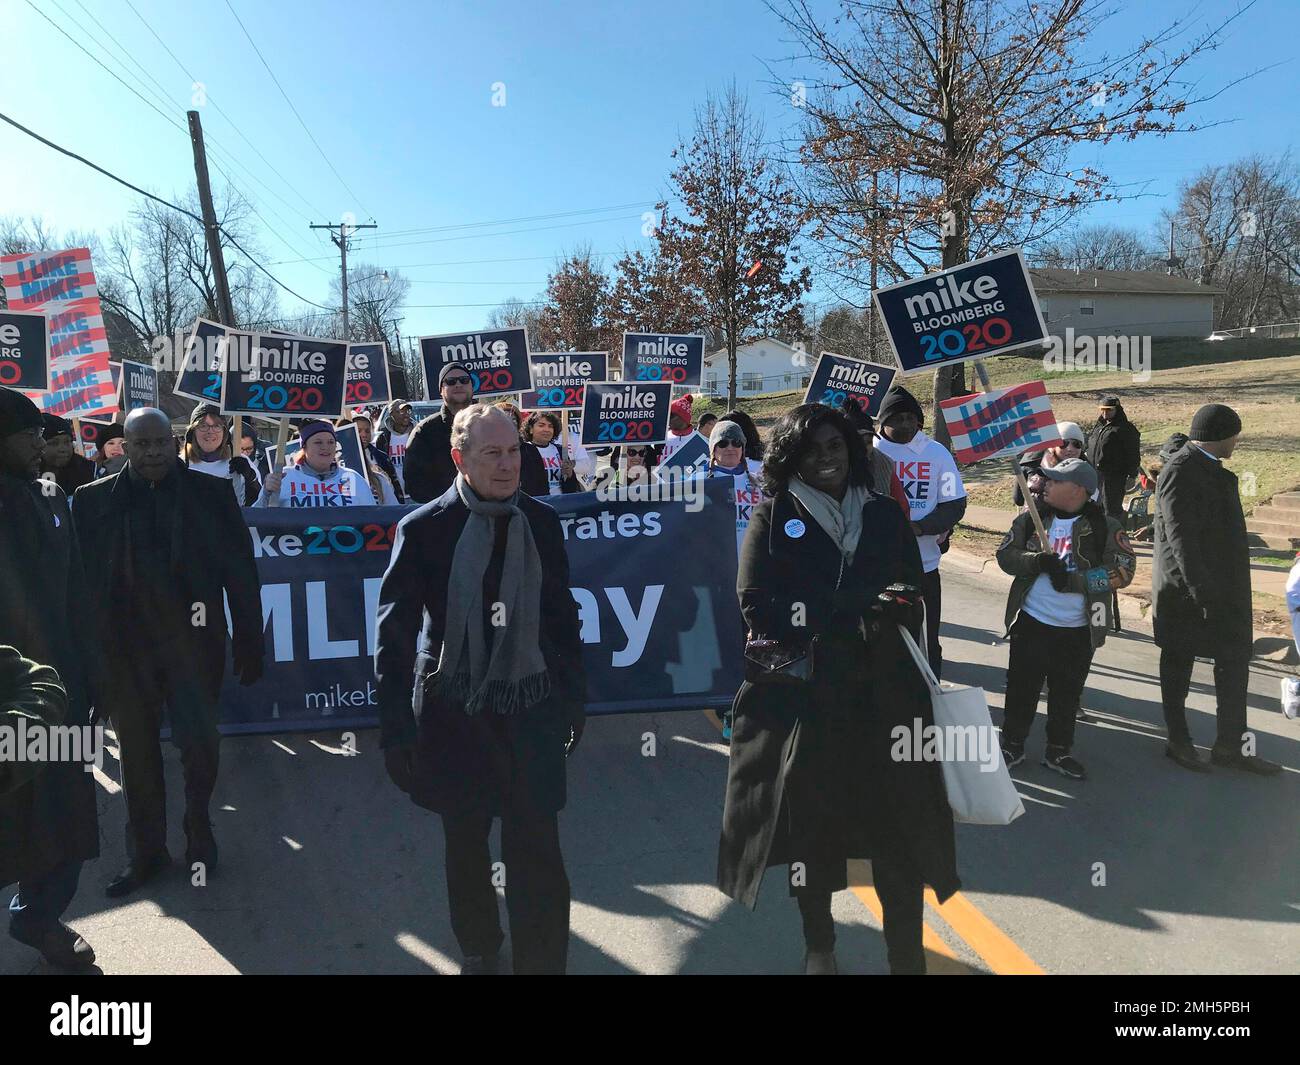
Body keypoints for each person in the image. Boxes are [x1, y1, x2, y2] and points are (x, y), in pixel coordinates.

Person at [717, 402, 958, 975]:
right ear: (790, 458)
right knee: (814, 835)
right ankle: (819, 945)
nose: (826, 459)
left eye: (835, 446)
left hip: (890, 699)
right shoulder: (774, 516)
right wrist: (845, 611)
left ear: (852, 449)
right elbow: (756, 604)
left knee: (902, 833)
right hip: (812, 702)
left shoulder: (883, 513)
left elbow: (909, 584)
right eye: (811, 449)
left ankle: (906, 956)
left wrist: (896, 600)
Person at [375, 405, 586, 974]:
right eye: (491, 453)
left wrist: (574, 700)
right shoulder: (423, 528)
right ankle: (480, 946)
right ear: (458, 458)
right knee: (466, 845)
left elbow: (562, 617)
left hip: (531, 709)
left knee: (537, 847)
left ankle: (542, 962)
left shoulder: (541, 521)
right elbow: (393, 637)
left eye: (514, 450)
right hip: (454, 715)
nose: (507, 463)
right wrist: (395, 729)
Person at [73, 407, 266, 896]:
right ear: (126, 447)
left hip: (193, 646)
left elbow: (240, 573)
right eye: (142, 444)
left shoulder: (211, 493)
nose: (154, 452)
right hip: (124, 652)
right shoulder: (92, 502)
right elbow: (80, 585)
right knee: (136, 757)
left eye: (161, 442)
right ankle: (146, 852)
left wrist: (248, 637)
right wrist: (85, 655)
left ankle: (198, 828)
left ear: (173, 441)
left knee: (200, 745)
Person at [0, 387, 100, 968]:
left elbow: (77, 594)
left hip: (59, 694)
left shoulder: (51, 499)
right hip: (6, 691)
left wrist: (93, 675)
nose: (42, 443)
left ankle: (39, 917)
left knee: (64, 813)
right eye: (29, 434)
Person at [1152, 403, 1279, 776]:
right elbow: (1180, 538)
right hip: (1186, 592)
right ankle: (1179, 741)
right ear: (1219, 436)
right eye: (1234, 435)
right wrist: (1201, 590)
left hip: (1226, 591)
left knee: (1234, 665)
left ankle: (1231, 747)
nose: (1236, 441)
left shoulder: (1216, 471)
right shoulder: (1180, 470)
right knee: (1179, 666)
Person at [995, 459, 1136, 779]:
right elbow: (1005, 555)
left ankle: (1058, 751)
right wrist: (1037, 562)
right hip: (1031, 622)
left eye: (1053, 482)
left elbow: (1123, 571)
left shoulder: (1106, 527)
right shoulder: (1032, 519)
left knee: (1067, 693)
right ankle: (1012, 744)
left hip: (1077, 630)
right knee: (1021, 688)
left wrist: (1075, 580)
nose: (1044, 485)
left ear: (1076, 491)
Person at [874, 386, 967, 679]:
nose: (904, 424)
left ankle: (929, 696)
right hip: (879, 567)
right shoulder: (871, 453)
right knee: (881, 639)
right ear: (882, 423)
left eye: (910, 418)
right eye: (896, 419)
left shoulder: (936, 452)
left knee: (926, 637)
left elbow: (954, 502)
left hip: (924, 565)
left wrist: (922, 527)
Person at [256, 421, 377, 508]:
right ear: (304, 447)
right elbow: (257, 522)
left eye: (331, 442)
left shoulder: (353, 478)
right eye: (318, 442)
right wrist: (266, 494)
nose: (325, 447)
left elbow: (372, 520)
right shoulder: (284, 477)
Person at [404, 364, 477, 503]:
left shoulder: (492, 423)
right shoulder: (424, 432)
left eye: (464, 380)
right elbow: (415, 484)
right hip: (446, 515)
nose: (458, 384)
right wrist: (450, 503)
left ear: (472, 386)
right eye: (451, 381)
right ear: (441, 390)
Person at [833, 398, 908, 512]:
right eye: (856, 443)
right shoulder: (827, 469)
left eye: (868, 442)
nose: (863, 449)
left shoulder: (885, 464)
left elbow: (902, 509)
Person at [705, 419, 766, 557]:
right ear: (713, 449)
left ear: (742, 449)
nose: (730, 447)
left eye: (736, 443)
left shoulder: (760, 483)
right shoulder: (697, 482)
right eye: (723, 443)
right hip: (712, 562)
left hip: (750, 560)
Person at [181, 404, 261, 507]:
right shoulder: (180, 465)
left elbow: (259, 505)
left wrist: (250, 479)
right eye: (203, 426)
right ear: (192, 433)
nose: (210, 431)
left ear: (225, 433)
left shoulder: (240, 461)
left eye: (216, 426)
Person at [1086, 395, 1141, 519]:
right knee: (1093, 507)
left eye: (1109, 410)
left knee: (1111, 510)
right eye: (1103, 410)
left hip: (1113, 478)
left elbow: (1133, 454)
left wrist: (1132, 475)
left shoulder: (1125, 429)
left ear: (1117, 410)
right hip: (1094, 475)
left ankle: (1114, 535)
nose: (1105, 413)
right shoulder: (1099, 427)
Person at [1012, 422, 1087, 508]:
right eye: (1063, 444)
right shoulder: (1031, 466)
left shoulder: (1089, 472)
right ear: (1053, 446)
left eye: (1076, 444)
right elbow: (1018, 499)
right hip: (1036, 520)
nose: (1070, 449)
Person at [334, 416, 401, 505]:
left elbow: (394, 507)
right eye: (358, 431)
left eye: (367, 431)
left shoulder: (380, 478)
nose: (363, 435)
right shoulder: (328, 482)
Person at [524, 411, 592, 496]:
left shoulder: (561, 450)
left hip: (561, 504)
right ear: (530, 429)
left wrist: (570, 475)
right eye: (541, 425)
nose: (546, 429)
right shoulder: (523, 450)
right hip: (536, 504)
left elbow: (571, 488)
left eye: (550, 426)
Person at [39, 414, 95, 496]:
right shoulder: (25, 476)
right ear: (39, 444)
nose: (63, 449)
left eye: (67, 442)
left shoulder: (90, 471)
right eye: (53, 443)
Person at [374, 400, 415, 496]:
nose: (406, 415)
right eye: (401, 411)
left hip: (415, 493)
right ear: (392, 414)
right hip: (394, 493)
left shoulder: (417, 434)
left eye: (407, 411)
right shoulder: (383, 438)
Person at [660, 394, 696, 463]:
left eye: (671, 415)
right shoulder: (662, 438)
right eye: (667, 415)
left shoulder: (699, 440)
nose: (667, 418)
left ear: (683, 418)